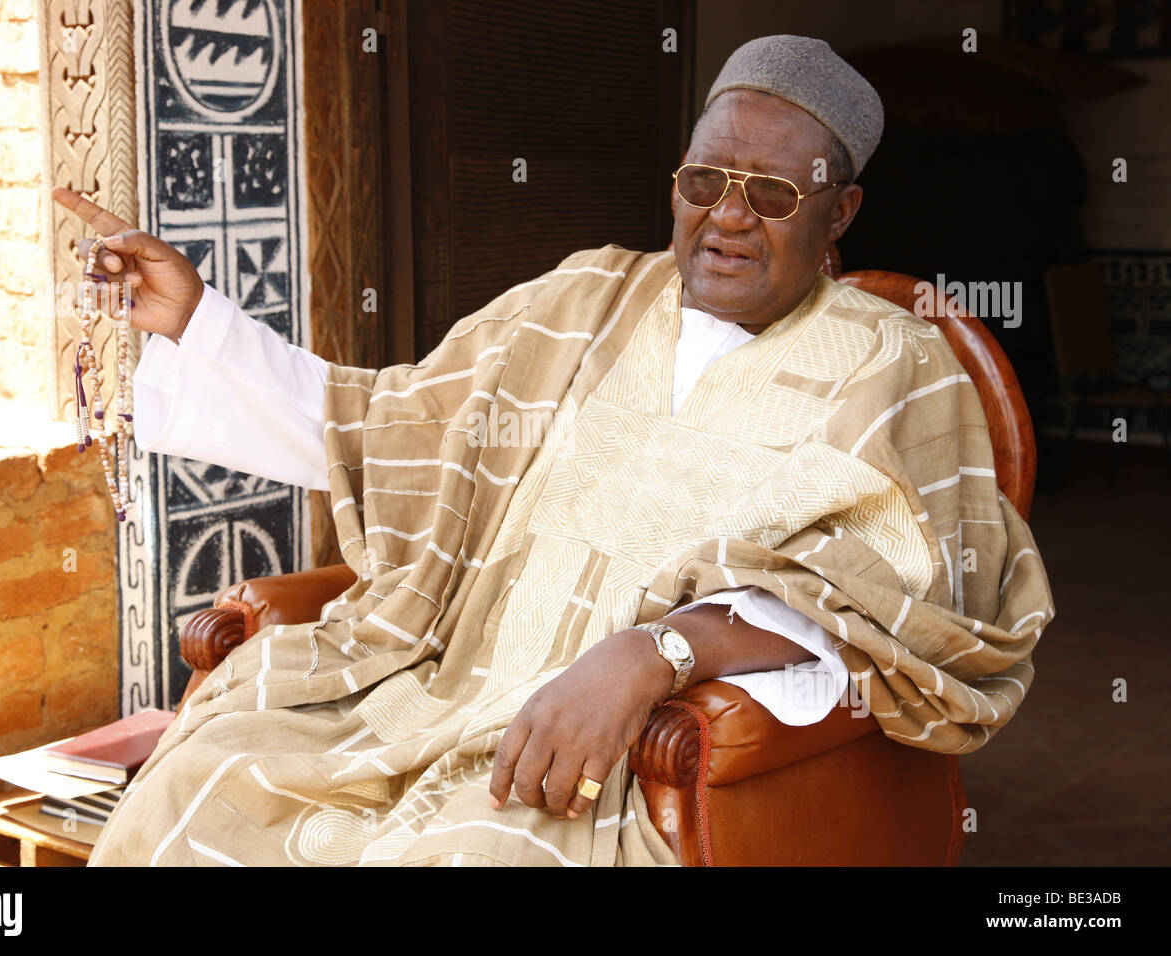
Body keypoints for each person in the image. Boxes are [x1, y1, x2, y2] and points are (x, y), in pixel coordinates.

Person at [54, 35, 1052, 866]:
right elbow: (385, 423)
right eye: (705, 180)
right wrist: (196, 321)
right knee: (207, 770)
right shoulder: (585, 298)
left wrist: (657, 653)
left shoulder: (895, 363)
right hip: (441, 687)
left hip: (598, 751)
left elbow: (917, 607)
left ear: (839, 210)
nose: (729, 214)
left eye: (775, 194)